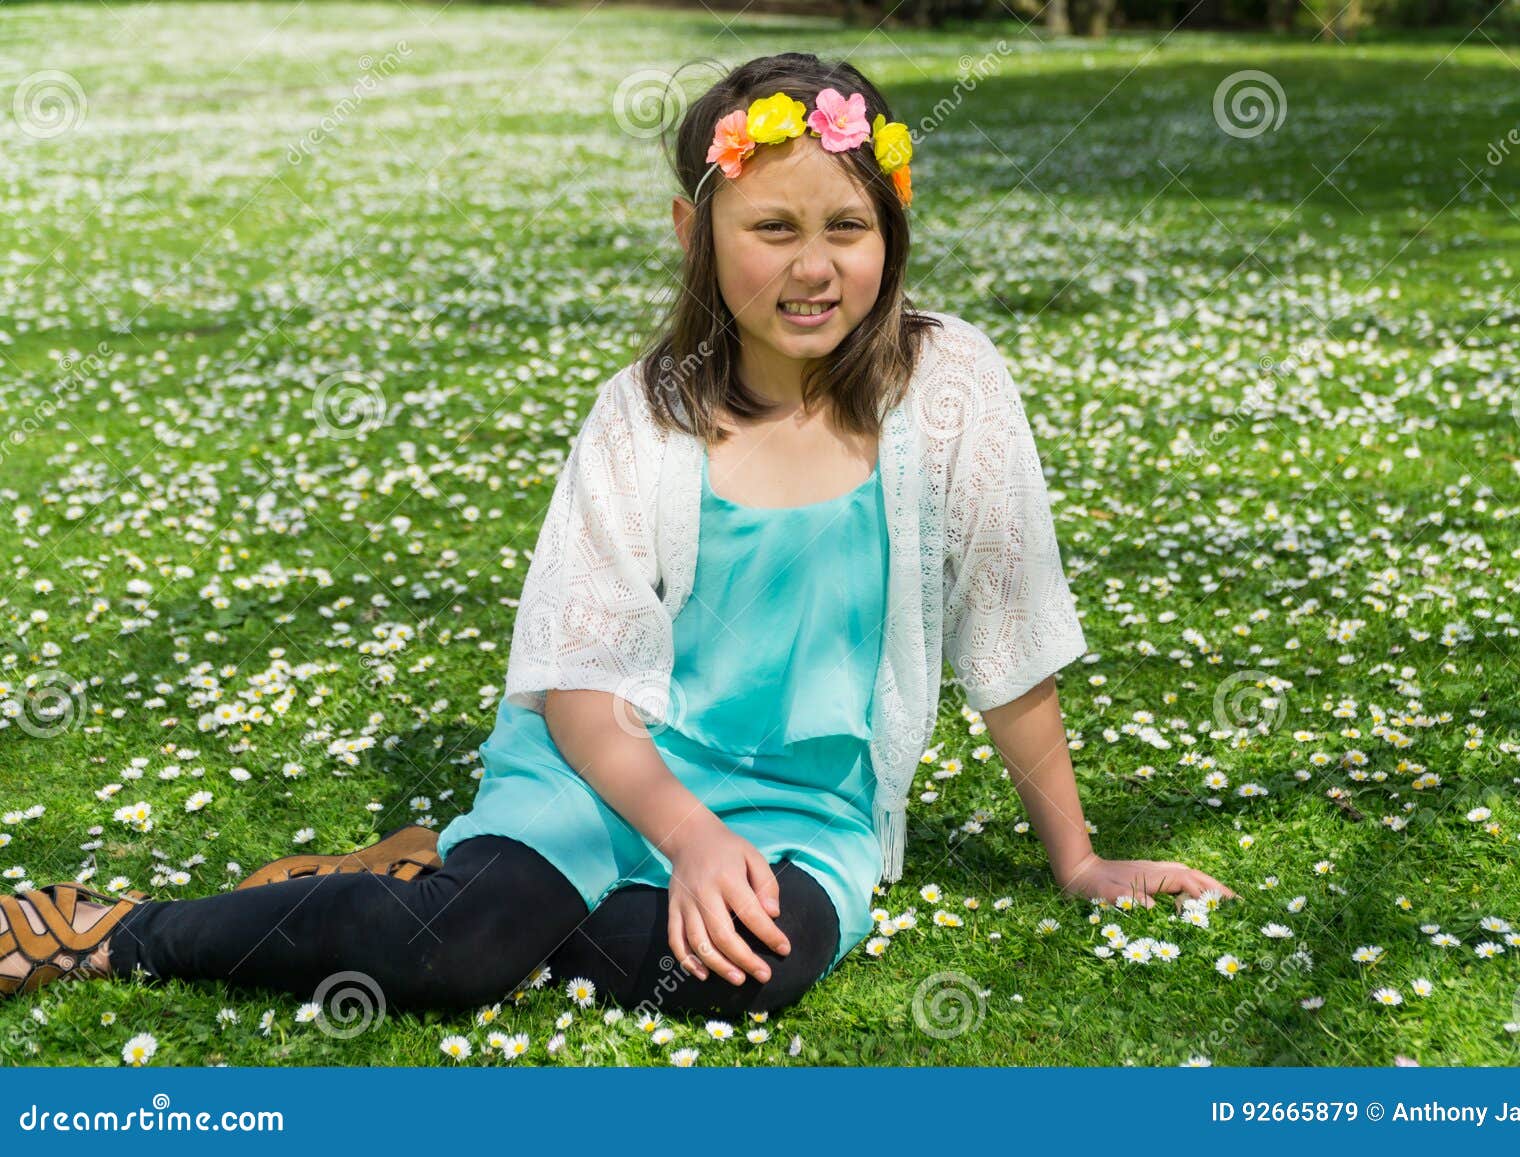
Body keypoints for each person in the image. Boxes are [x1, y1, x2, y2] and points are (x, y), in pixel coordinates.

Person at [0, 51, 1236, 1019]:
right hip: (604, 765)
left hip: (799, 802)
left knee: (753, 971)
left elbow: (1005, 631)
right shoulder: (645, 416)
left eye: (846, 229)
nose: (814, 268)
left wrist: (1076, 860)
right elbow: (582, 686)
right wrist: (685, 840)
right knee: (457, 951)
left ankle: (445, 883)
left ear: (891, 229)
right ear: (699, 235)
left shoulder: (952, 385)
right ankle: (117, 928)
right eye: (773, 230)